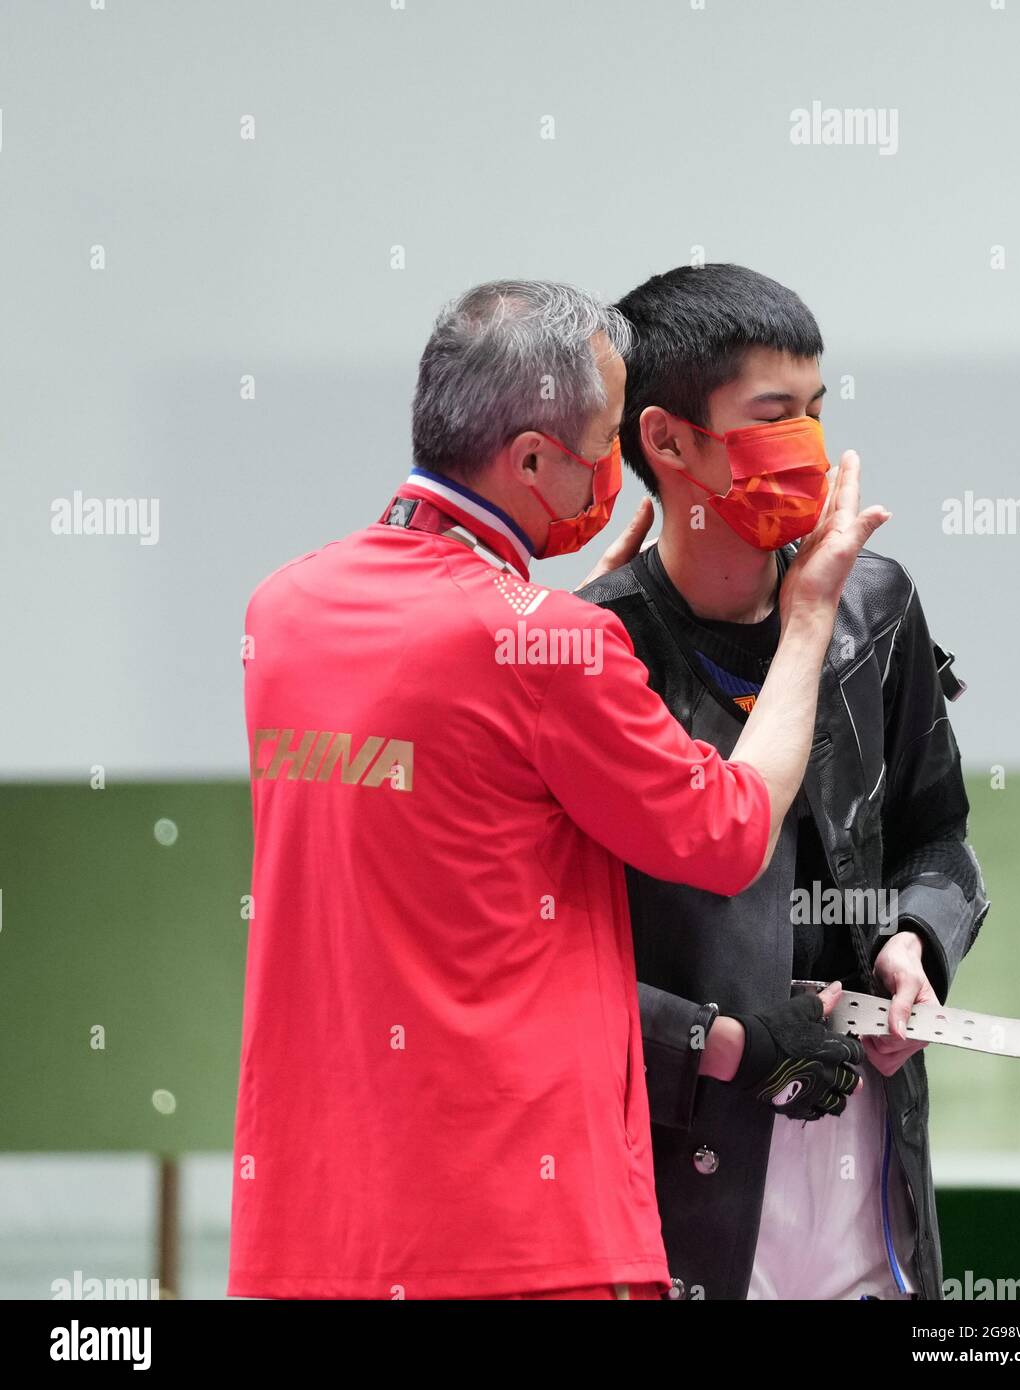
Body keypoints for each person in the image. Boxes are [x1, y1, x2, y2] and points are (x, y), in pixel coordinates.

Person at [227, 279, 886, 1300]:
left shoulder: (284, 611)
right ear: (531, 459)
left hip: (309, 1234)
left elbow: (456, 769)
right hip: (514, 1239)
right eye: (604, 444)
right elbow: (731, 828)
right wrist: (806, 620)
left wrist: (544, 623)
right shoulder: (552, 651)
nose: (617, 474)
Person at [578, 263, 989, 1301]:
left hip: (868, 1160)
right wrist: (713, 1044)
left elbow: (938, 835)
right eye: (774, 417)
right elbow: (545, 970)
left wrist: (913, 938)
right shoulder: (589, 651)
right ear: (665, 441)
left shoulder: (876, 607)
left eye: (817, 410)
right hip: (682, 1181)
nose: (810, 448)